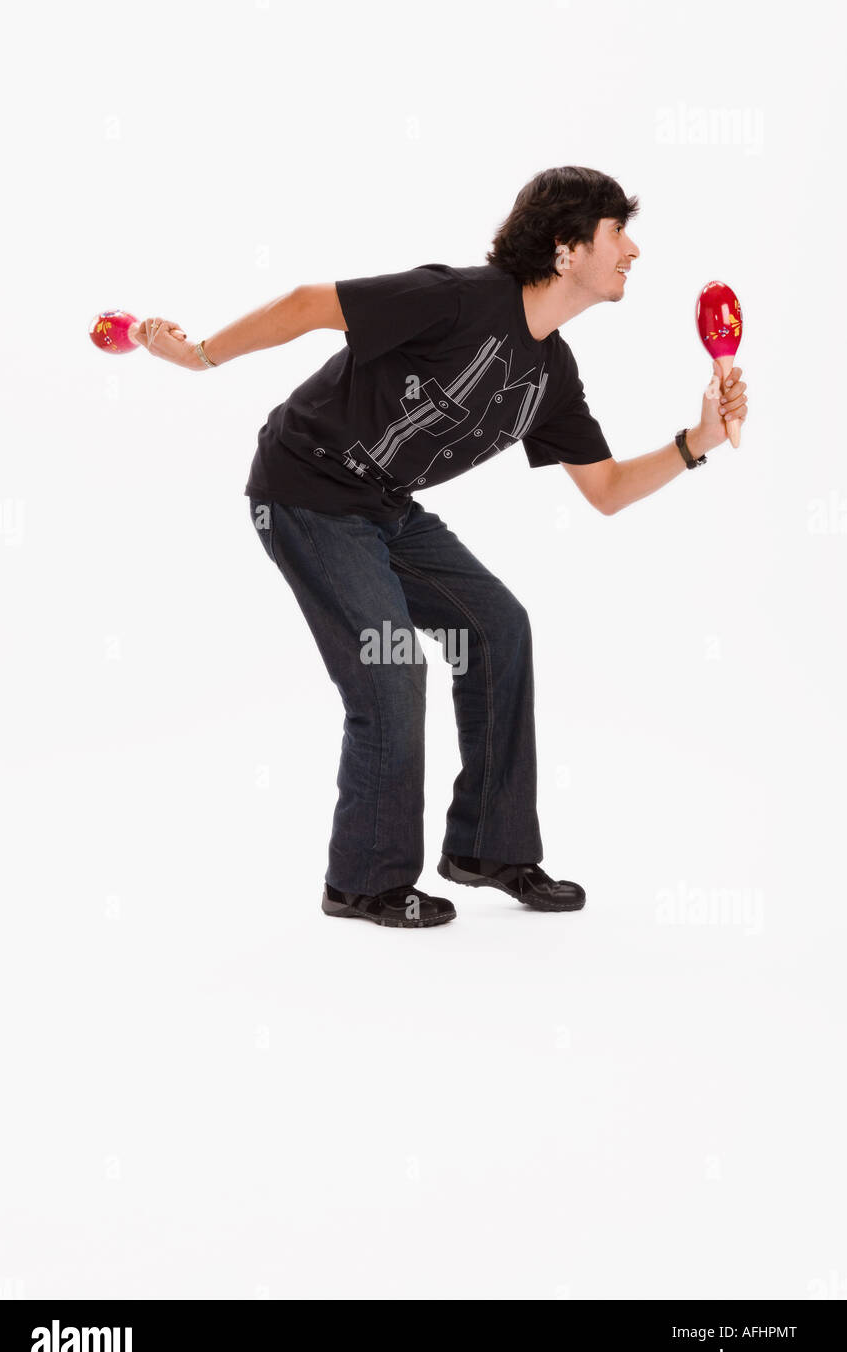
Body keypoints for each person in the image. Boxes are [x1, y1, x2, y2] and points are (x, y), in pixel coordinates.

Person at [133, 166, 749, 930]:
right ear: (566, 249)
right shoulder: (459, 298)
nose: (634, 250)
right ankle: (363, 882)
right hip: (303, 490)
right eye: (618, 232)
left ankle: (489, 848)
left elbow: (609, 490)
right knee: (392, 665)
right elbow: (307, 304)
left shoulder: (552, 373)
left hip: (382, 507)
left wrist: (699, 442)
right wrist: (200, 357)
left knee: (496, 628)